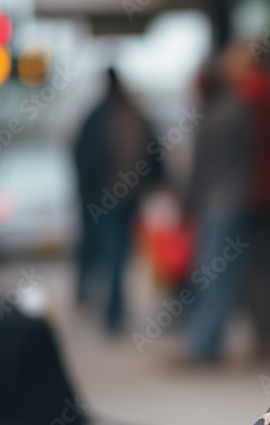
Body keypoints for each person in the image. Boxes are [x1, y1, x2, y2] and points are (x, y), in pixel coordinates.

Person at [178, 55, 254, 362]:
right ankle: (206, 340)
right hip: (229, 201)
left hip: (218, 203)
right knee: (219, 275)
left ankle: (204, 343)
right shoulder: (233, 110)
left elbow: (200, 167)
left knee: (214, 275)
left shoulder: (216, 115)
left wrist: (186, 203)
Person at [74, 67, 160, 333]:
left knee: (108, 255)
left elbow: (81, 158)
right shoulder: (136, 116)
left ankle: (111, 312)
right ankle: (114, 311)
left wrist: (85, 194)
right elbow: (155, 155)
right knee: (118, 257)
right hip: (127, 200)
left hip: (104, 200)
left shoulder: (97, 118)